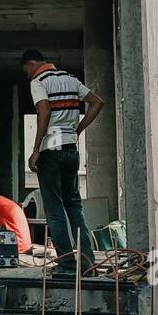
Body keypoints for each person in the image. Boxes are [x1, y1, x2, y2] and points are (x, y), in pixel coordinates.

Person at [21, 47, 104, 274]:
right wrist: (78, 128)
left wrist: (36, 148)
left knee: (55, 209)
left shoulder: (38, 82)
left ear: (31, 64)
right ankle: (87, 264)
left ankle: (67, 264)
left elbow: (44, 111)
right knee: (74, 206)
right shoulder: (70, 79)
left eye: (26, 71)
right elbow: (97, 102)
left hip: (51, 149)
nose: (28, 75)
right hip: (70, 149)